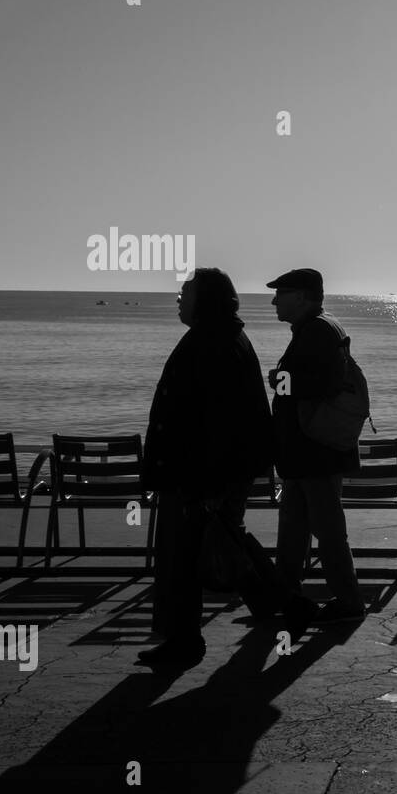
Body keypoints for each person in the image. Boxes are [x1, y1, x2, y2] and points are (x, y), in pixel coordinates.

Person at [139, 268, 287, 670]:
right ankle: (276, 600)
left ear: (203, 300)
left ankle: (183, 642)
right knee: (219, 541)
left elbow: (218, 422)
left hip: (196, 475)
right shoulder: (222, 337)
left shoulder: (213, 342)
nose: (178, 300)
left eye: (185, 293)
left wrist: (206, 484)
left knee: (182, 560)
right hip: (204, 473)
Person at [266, 268, 367, 622]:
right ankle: (286, 597)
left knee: (326, 529)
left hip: (316, 451)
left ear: (302, 297)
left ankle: (349, 601)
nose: (274, 300)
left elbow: (320, 385)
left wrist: (278, 380)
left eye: (281, 293)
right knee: (295, 526)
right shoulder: (321, 327)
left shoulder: (317, 332)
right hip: (309, 451)